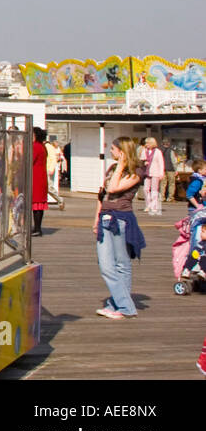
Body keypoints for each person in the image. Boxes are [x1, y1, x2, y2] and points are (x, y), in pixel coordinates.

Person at [93, 137, 148, 319]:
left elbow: (115, 188)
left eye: (114, 149)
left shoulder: (136, 171)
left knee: (121, 264)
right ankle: (119, 304)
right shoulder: (112, 168)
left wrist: (122, 165)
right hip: (105, 219)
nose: (111, 152)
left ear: (122, 151)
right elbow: (102, 195)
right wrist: (96, 219)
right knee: (106, 265)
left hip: (122, 219)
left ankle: (124, 307)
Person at [31, 127, 48, 236]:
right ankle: (37, 228)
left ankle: (37, 228)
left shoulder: (35, 147)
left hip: (36, 177)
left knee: (36, 204)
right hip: (40, 177)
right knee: (38, 205)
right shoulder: (42, 146)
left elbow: (30, 160)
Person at [142, 137, 165, 216]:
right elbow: (141, 160)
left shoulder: (158, 152)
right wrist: (144, 162)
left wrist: (161, 173)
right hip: (147, 172)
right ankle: (148, 204)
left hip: (155, 172)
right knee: (145, 189)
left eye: (148, 143)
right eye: (146, 143)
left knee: (154, 190)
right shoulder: (144, 151)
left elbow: (161, 163)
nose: (146, 145)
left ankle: (154, 206)